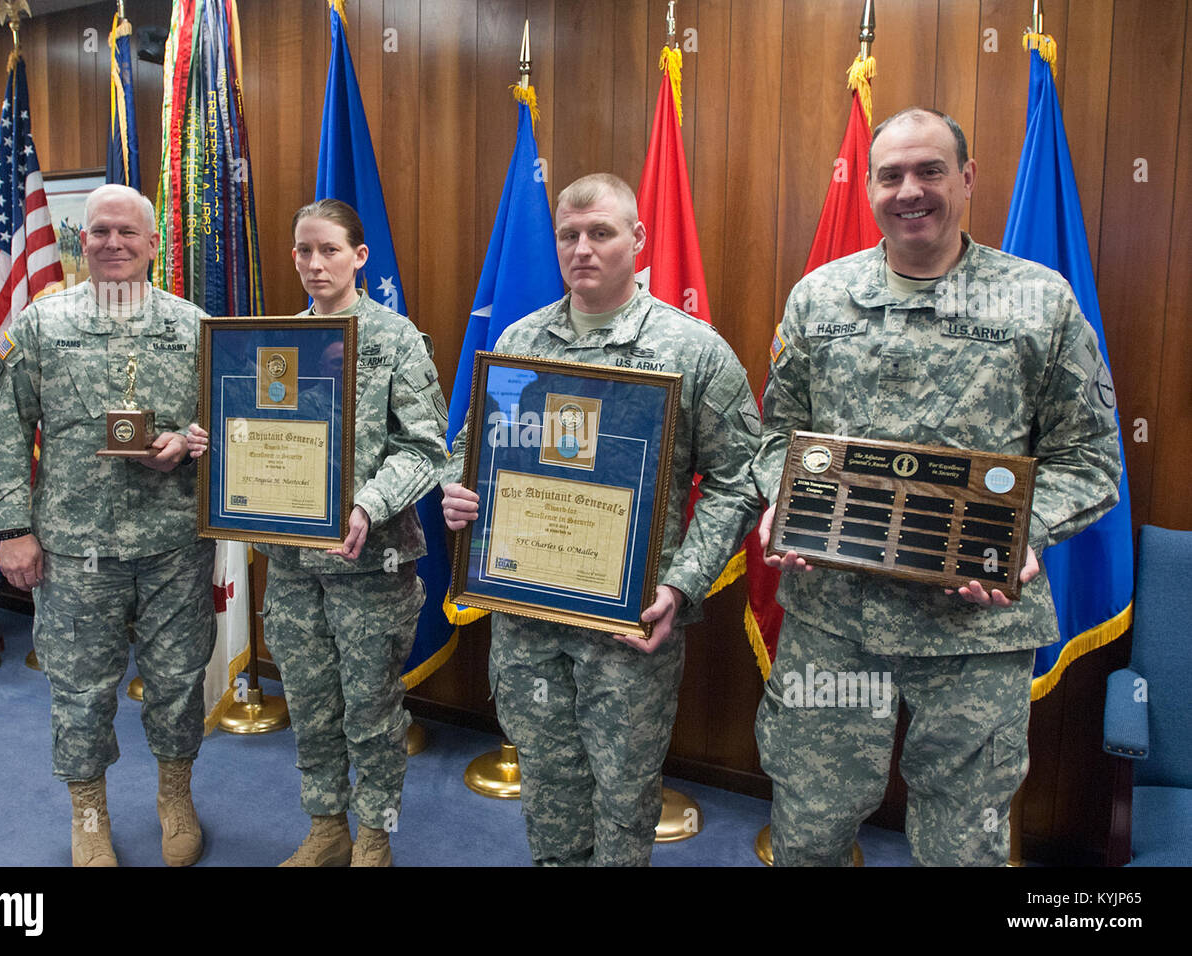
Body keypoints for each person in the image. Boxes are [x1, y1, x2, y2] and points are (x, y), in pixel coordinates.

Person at [753, 108, 1123, 866]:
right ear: (868, 186)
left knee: (964, 840)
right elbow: (776, 440)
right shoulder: (819, 298)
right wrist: (782, 503)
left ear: (967, 179)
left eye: (929, 171)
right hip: (835, 619)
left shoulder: (1038, 301)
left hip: (974, 629)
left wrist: (1024, 533)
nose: (909, 190)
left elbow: (1090, 461)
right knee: (808, 825)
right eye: (890, 175)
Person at [442, 173, 761, 866]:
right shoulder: (520, 342)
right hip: (527, 615)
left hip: (629, 625)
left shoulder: (693, 349)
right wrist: (457, 490)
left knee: (623, 797)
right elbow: (470, 448)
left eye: (601, 232)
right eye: (569, 235)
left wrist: (682, 584)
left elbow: (744, 478)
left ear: (638, 239)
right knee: (550, 788)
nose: (582, 248)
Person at [189, 199, 447, 867]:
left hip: (373, 566)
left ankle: (375, 837)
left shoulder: (394, 339)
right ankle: (327, 825)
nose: (313, 263)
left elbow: (426, 450)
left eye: (329, 249)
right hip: (294, 567)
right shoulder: (271, 341)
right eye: (303, 250)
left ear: (359, 256)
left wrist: (365, 504)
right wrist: (215, 444)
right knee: (309, 704)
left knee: (373, 714)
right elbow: (260, 437)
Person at [0, 184, 215, 867]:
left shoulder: (193, 328)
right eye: (100, 231)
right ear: (83, 239)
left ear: (151, 244)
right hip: (75, 550)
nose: (112, 243)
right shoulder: (40, 326)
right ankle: (88, 814)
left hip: (174, 546)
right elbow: (1, 432)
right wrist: (14, 529)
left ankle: (176, 798)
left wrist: (191, 439)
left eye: (127, 233)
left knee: (176, 681)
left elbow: (231, 421)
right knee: (79, 691)